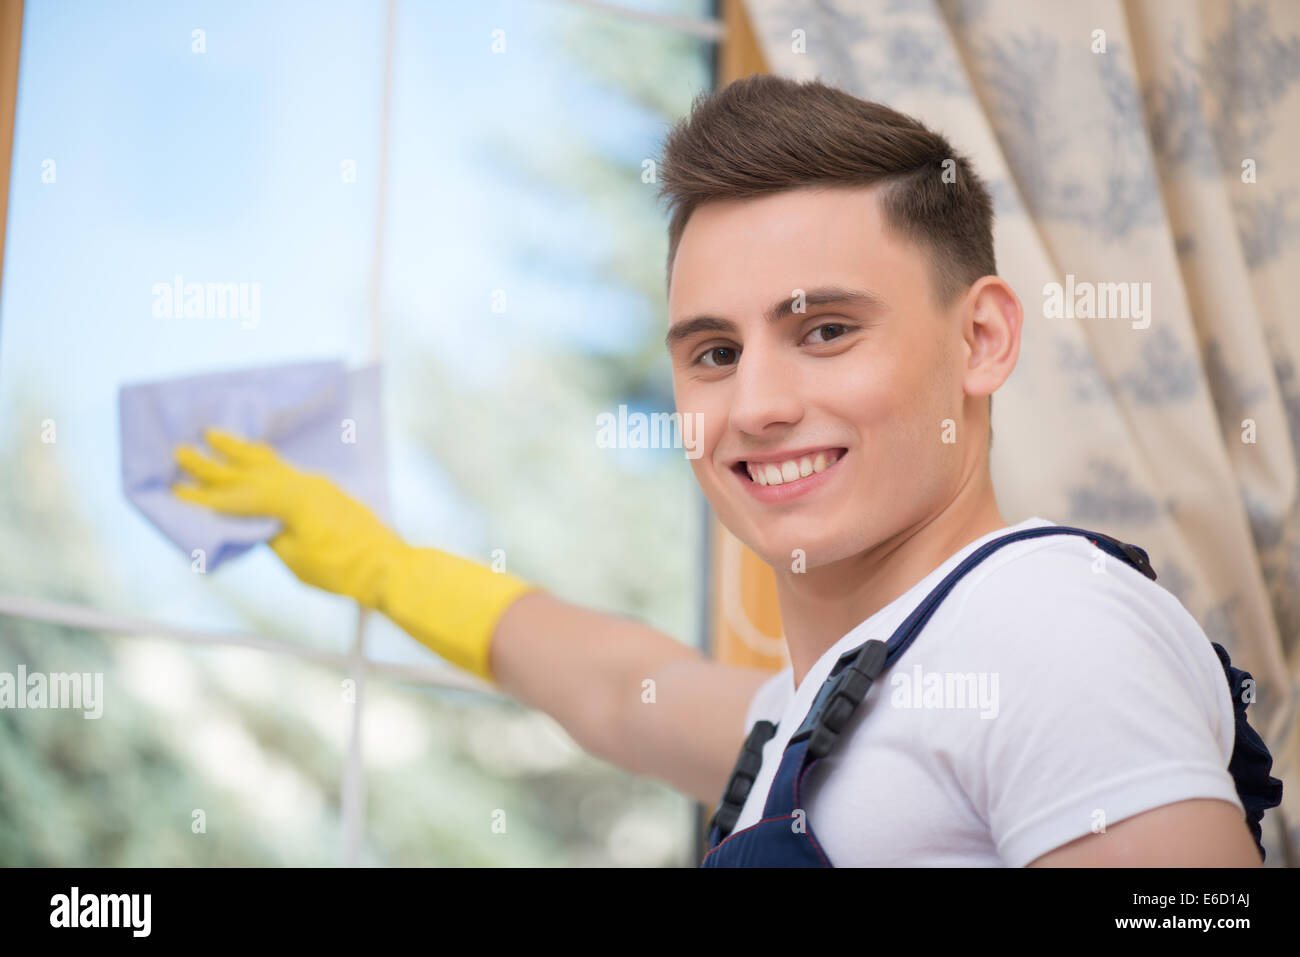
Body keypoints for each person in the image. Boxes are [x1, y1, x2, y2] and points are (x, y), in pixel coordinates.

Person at [172, 75, 1262, 867]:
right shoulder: (826, 707)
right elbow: (615, 688)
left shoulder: (1043, 632)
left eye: (826, 330)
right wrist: (379, 564)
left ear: (979, 340)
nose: (757, 405)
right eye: (713, 353)